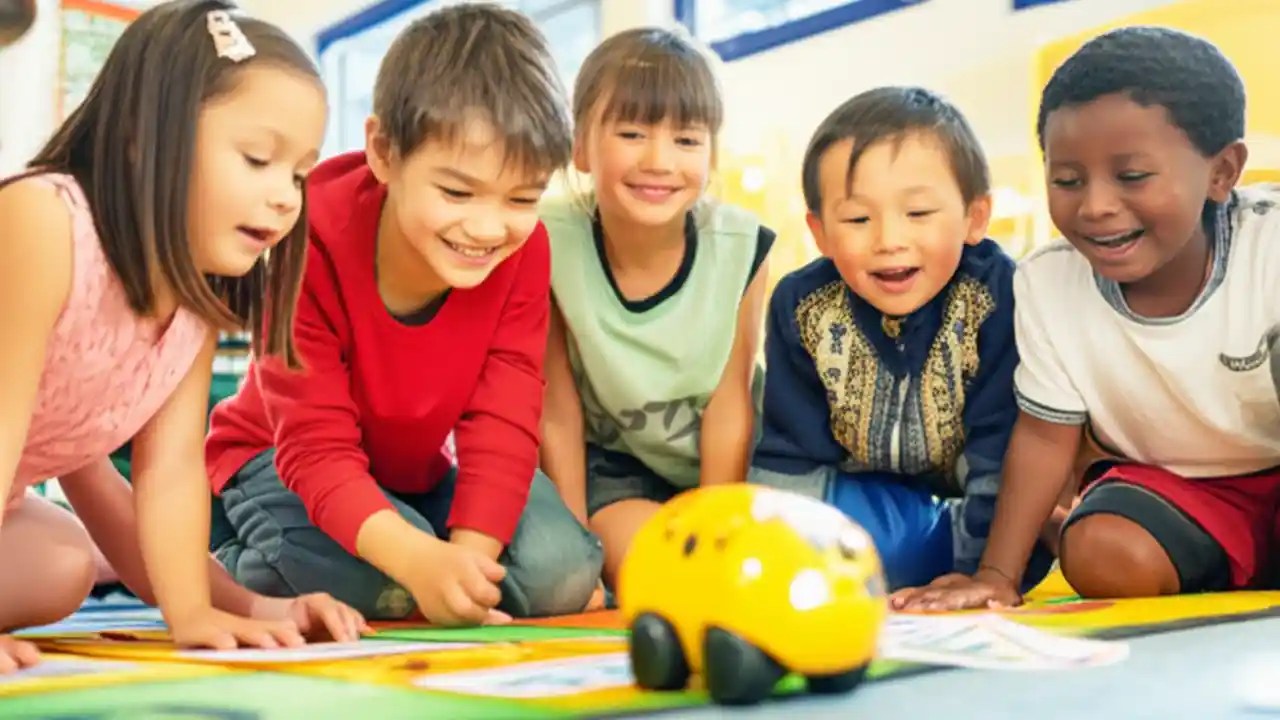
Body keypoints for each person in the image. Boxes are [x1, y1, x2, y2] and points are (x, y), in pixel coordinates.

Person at [205, 3, 603, 626]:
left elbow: (503, 419)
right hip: (277, 456)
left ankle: (416, 557)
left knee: (563, 572)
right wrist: (419, 563)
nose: (488, 227)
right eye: (457, 192)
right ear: (384, 153)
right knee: (377, 582)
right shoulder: (304, 236)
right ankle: (221, 560)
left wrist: (464, 570)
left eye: (522, 197)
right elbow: (315, 448)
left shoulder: (525, 252)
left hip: (411, 471)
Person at [0, 0, 365, 673]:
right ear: (144, 137)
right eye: (258, 158)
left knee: (63, 566)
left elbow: (164, 477)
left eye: (298, 174)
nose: (287, 196)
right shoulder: (42, 221)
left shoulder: (191, 305)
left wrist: (211, 609)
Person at [893, 26, 1269, 610]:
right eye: (1067, 180)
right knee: (1098, 551)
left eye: (1132, 176)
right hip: (1182, 491)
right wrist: (996, 576)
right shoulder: (1047, 284)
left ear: (1221, 172)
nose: (1094, 206)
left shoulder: (1266, 248)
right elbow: (1045, 439)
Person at [750, 86, 1054, 592]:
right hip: (859, 501)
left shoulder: (995, 294)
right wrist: (780, 556)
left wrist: (982, 572)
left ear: (975, 217)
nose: (889, 239)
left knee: (1027, 524)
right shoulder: (802, 306)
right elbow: (791, 458)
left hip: (970, 509)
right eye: (857, 219)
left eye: (917, 214)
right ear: (820, 231)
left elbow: (1000, 445)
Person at [538, 27, 775, 591]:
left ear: (712, 153)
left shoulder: (742, 245)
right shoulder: (547, 239)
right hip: (619, 475)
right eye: (631, 132)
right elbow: (557, 408)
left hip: (735, 467)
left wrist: (720, 529)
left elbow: (730, 405)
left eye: (687, 141)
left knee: (731, 560)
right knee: (650, 553)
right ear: (580, 146)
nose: (659, 160)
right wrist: (577, 551)